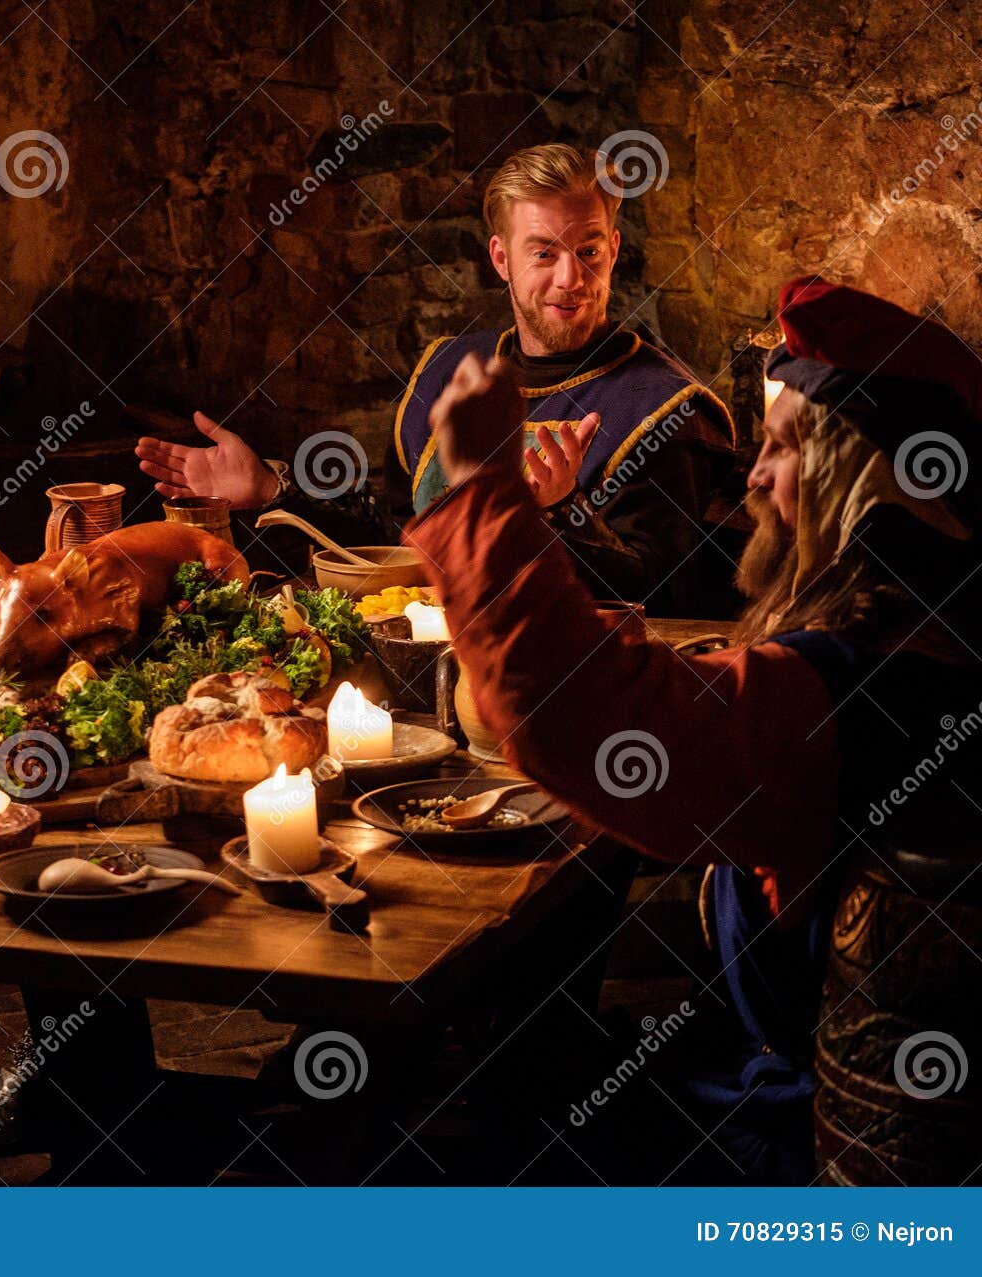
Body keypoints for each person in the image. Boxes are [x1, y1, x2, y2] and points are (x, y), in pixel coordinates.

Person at [401, 275, 982, 1183]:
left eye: (785, 449)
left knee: (478, 1119)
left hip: (791, 1146)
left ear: (862, 483)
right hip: (770, 1081)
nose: (752, 474)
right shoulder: (936, 631)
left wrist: (480, 493)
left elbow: (585, 721)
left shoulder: (853, 684)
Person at [135, 143, 736, 613]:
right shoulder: (449, 370)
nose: (570, 279)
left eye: (590, 251)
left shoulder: (664, 409)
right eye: (544, 253)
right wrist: (273, 491)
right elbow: (400, 541)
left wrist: (562, 512)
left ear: (614, 248)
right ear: (501, 259)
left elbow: (664, 599)